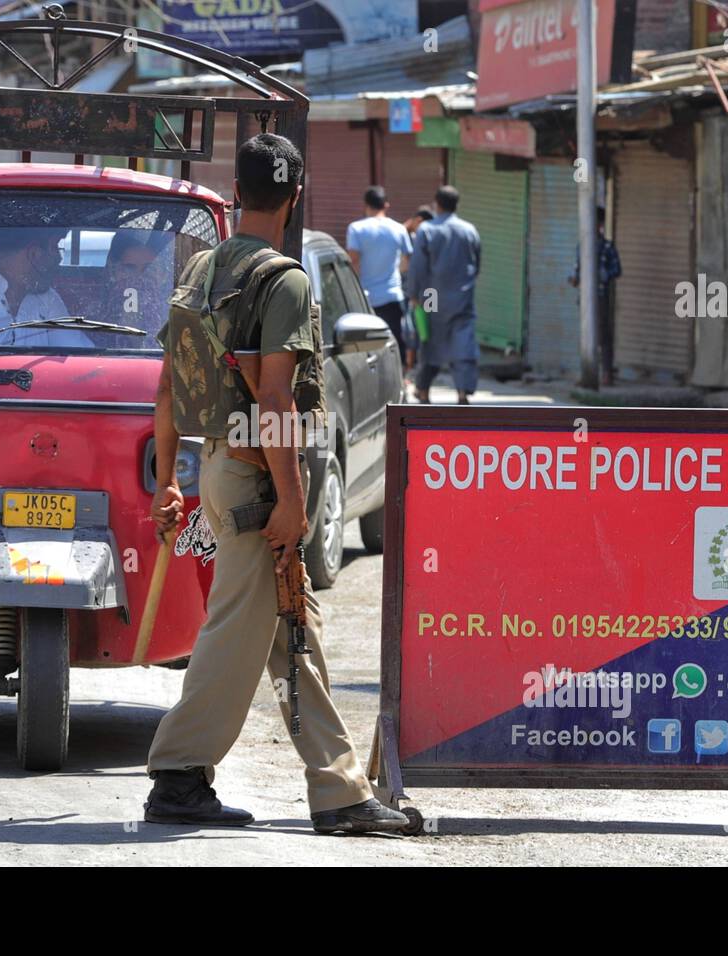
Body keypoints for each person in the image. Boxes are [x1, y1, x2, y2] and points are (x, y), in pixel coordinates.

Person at [143, 132, 407, 835]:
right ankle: (177, 772)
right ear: (294, 199)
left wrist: (168, 482)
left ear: (235, 196)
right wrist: (293, 504)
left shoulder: (201, 271)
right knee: (238, 628)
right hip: (260, 480)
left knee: (293, 629)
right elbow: (277, 402)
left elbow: (169, 390)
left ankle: (338, 791)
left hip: (221, 470)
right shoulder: (284, 279)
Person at [405, 185, 482, 405]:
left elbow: (417, 267)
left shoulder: (427, 230)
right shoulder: (470, 231)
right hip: (462, 296)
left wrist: (414, 293)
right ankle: (463, 391)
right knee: (463, 343)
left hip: (431, 296)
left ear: (436, 204)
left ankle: (423, 389)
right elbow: (476, 266)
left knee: (431, 342)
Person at [346, 186, 412, 378]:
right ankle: (398, 378)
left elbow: (354, 262)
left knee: (367, 346)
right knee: (393, 341)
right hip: (392, 296)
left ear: (366, 205)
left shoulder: (356, 229)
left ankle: (371, 379)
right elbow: (408, 262)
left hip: (365, 298)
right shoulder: (399, 229)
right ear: (386, 205)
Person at [569, 206, 622, 386]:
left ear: (599, 224)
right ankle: (587, 372)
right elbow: (576, 271)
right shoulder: (581, 246)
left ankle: (606, 374)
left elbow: (616, 270)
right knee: (586, 336)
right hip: (584, 299)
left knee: (603, 337)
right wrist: (575, 280)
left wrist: (602, 275)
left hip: (601, 297)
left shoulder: (607, 247)